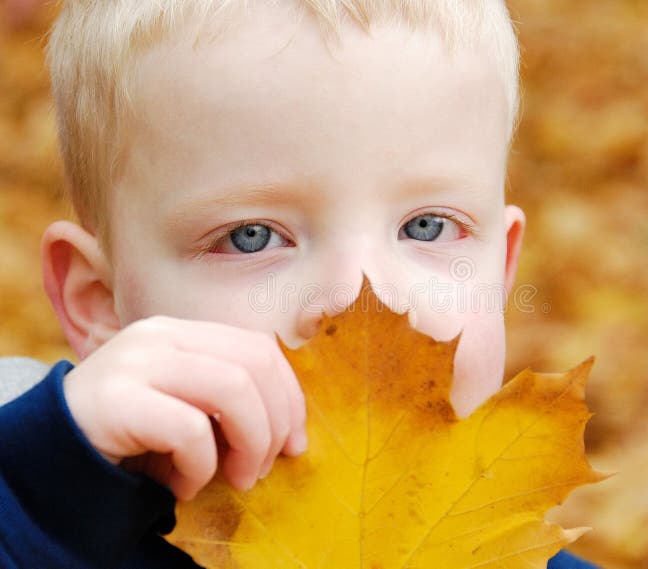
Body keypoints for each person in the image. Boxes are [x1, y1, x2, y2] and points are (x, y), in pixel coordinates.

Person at [0, 1, 598, 567]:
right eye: (250, 237)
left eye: (428, 226)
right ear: (99, 303)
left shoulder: (511, 553)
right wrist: (47, 490)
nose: (360, 300)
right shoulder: (46, 538)